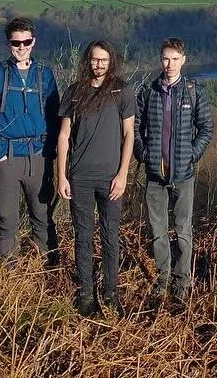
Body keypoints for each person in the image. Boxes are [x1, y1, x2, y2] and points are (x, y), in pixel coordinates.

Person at [56, 40, 136, 317]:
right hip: (80, 177)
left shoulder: (121, 91)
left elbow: (129, 135)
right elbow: (64, 136)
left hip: (112, 178)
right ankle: (86, 294)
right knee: (83, 236)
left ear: (110, 61)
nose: (98, 64)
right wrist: (62, 176)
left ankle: (111, 294)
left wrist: (123, 174)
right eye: (94, 59)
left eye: (103, 60)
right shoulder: (74, 92)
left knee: (110, 235)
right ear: (87, 61)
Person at [0, 17, 60, 265]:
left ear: (34, 42)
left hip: (39, 156)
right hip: (7, 156)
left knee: (43, 217)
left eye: (26, 41)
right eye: (16, 42)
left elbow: (56, 115)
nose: (21, 47)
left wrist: (51, 148)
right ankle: (7, 279)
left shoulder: (45, 75)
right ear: (8, 43)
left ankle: (47, 273)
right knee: (6, 220)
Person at [134, 37, 212, 307]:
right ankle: (163, 277)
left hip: (183, 175)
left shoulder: (193, 91)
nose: (170, 64)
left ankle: (182, 280)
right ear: (160, 59)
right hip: (155, 175)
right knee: (157, 231)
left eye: (175, 59)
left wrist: (191, 154)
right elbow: (135, 128)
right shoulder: (148, 91)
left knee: (183, 231)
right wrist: (143, 154)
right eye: (166, 58)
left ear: (183, 60)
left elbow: (206, 128)